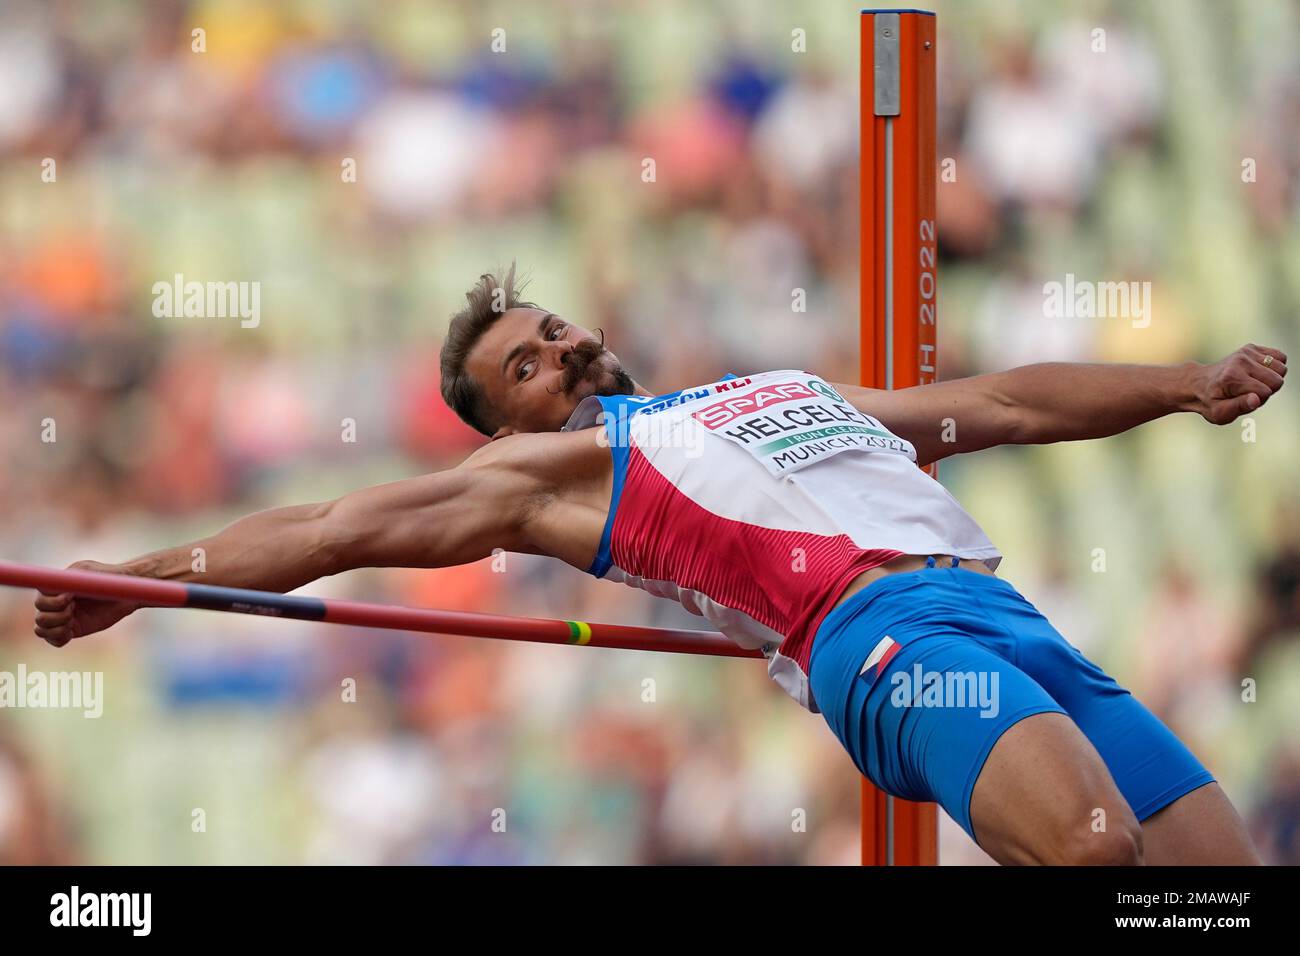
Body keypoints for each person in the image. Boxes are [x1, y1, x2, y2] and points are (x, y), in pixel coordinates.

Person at [34, 267, 1285, 865]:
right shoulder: (544, 477)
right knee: (1091, 849)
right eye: (525, 365)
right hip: (885, 642)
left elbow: (1000, 402)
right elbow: (322, 531)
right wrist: (139, 575)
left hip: (1005, 616)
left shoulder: (773, 387)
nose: (562, 351)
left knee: (1217, 882)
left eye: (553, 330)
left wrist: (1185, 385)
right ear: (509, 425)